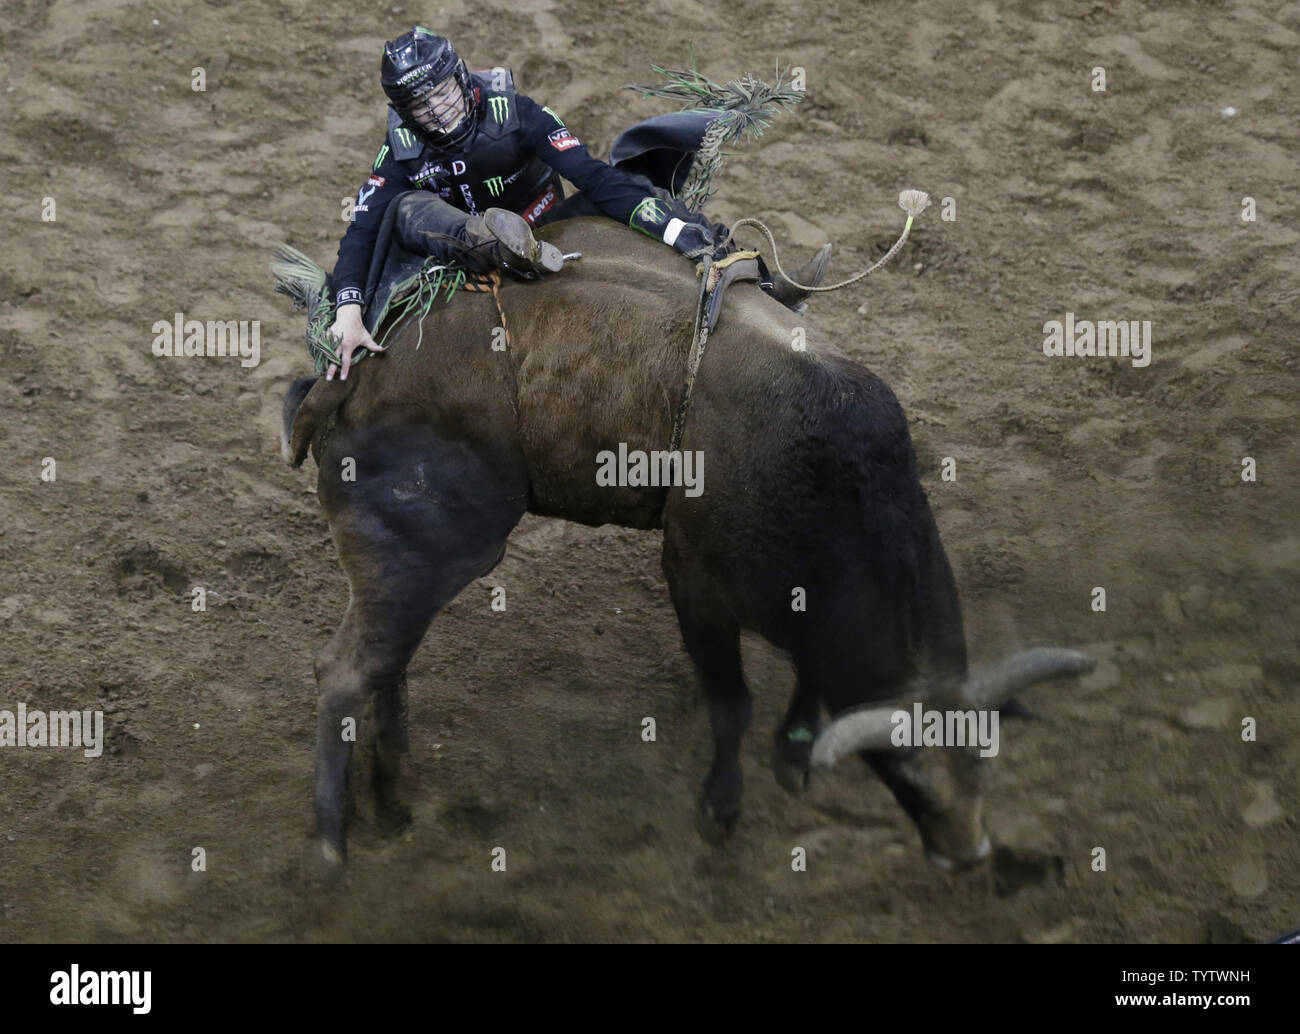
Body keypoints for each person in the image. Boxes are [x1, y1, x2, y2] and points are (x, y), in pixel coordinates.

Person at [326, 26, 732, 379]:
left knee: (626, 193)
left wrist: (674, 230)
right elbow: (361, 228)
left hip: (547, 230)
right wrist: (347, 310)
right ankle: (493, 240)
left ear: (461, 79)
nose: (438, 111)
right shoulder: (399, 153)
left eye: (442, 92)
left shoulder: (519, 114)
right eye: (421, 105)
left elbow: (593, 176)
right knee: (406, 206)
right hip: (467, 256)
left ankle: (720, 257)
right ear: (405, 113)